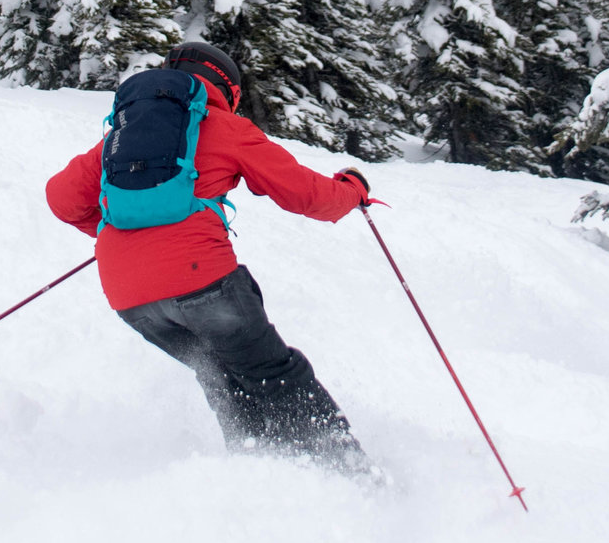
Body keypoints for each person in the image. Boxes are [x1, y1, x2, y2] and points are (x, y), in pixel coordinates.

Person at [45, 41, 374, 469]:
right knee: (275, 375)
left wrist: (120, 230)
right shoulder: (223, 126)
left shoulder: (122, 135)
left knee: (222, 376)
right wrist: (353, 190)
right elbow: (309, 196)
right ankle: (352, 476)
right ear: (228, 90)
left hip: (130, 297)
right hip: (203, 282)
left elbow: (61, 198)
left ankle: (257, 475)